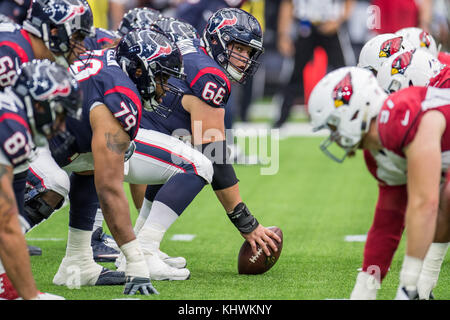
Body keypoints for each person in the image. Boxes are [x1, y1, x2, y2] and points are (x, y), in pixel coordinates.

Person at [115, 8, 281, 280]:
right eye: (238, 48)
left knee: (174, 156)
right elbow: (214, 155)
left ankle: (134, 251)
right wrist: (246, 222)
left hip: (128, 131)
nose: (244, 59)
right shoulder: (210, 76)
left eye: (249, 52)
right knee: (199, 164)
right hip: (121, 141)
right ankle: (144, 249)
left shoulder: (194, 48)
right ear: (218, 40)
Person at [50, 28, 184, 295]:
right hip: (17, 142)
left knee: (88, 162)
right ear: (139, 70)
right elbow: (110, 189)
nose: (164, 88)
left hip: (30, 133)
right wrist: (135, 261)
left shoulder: (103, 58)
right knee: (49, 185)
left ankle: (77, 259)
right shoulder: (120, 98)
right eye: (162, 77)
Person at [308, 66, 450, 299]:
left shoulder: (399, 117)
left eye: (333, 126)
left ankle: (420, 288)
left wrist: (409, 284)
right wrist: (365, 288)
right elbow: (388, 221)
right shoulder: (376, 153)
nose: (333, 136)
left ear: (353, 112)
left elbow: (425, 205)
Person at [0, 0, 94, 257]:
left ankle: (10, 240)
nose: (82, 46)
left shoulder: (30, 52)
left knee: (45, 176)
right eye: (77, 36)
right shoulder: (11, 52)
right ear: (55, 31)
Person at [0, 59, 83, 300]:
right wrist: (30, 297)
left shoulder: (16, 117)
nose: (60, 125)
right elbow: (6, 225)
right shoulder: (11, 128)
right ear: (39, 105)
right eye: (58, 113)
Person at [272, 0, 355, 128]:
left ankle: (350, 115)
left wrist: (338, 21)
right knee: (294, 73)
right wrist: (283, 35)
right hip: (305, 25)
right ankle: (281, 117)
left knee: (345, 74)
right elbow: (287, 4)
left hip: (331, 25)